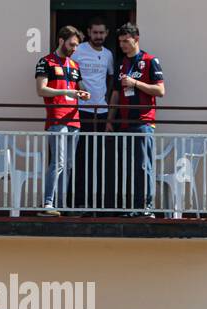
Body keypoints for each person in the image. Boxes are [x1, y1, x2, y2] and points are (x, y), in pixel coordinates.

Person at [106, 23, 165, 216]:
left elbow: (160, 90)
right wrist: (109, 120)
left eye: (126, 41)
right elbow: (115, 93)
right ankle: (131, 207)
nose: (122, 45)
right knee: (127, 167)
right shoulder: (121, 63)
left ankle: (145, 207)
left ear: (136, 39)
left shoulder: (150, 60)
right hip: (123, 123)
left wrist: (135, 83)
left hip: (143, 122)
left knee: (142, 165)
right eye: (120, 41)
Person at [34, 26, 90, 216]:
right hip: (57, 118)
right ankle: (48, 203)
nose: (75, 49)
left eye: (77, 46)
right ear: (60, 41)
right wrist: (66, 92)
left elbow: (80, 88)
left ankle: (62, 204)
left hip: (74, 119)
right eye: (72, 44)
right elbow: (41, 90)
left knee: (69, 164)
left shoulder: (74, 65)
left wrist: (84, 94)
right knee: (57, 162)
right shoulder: (46, 62)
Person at [72, 17, 114, 212]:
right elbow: (69, 75)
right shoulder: (78, 50)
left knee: (100, 159)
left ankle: (100, 202)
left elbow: (111, 79)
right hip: (81, 111)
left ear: (106, 34)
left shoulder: (108, 55)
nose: (98, 36)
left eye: (101, 33)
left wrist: (105, 99)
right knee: (81, 157)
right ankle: (80, 201)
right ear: (88, 32)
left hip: (102, 112)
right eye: (95, 32)